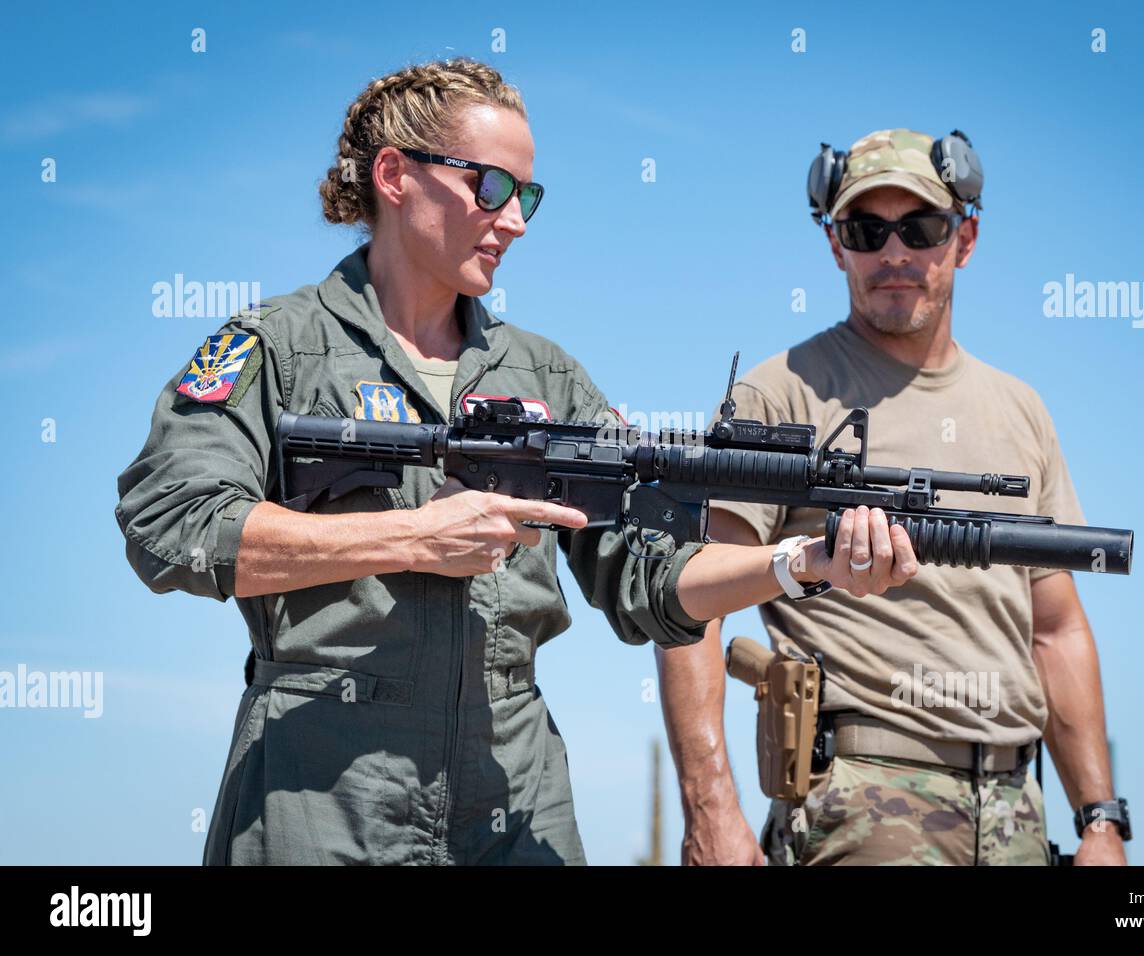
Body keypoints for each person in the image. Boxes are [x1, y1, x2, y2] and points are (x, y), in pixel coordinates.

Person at [114, 61, 919, 866]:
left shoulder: (547, 376)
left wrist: (800, 562)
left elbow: (651, 584)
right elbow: (170, 524)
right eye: (491, 187)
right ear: (395, 175)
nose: (516, 221)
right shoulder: (277, 345)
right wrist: (414, 538)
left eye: (527, 196)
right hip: (317, 794)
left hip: (511, 791)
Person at [656, 128, 1131, 866]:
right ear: (836, 246)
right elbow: (689, 601)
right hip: (862, 801)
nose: (894, 253)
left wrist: (1099, 820)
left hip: (1017, 809)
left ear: (964, 238)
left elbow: (1057, 629)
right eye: (866, 230)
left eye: (920, 227)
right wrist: (711, 805)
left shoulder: (1021, 408)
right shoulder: (778, 393)